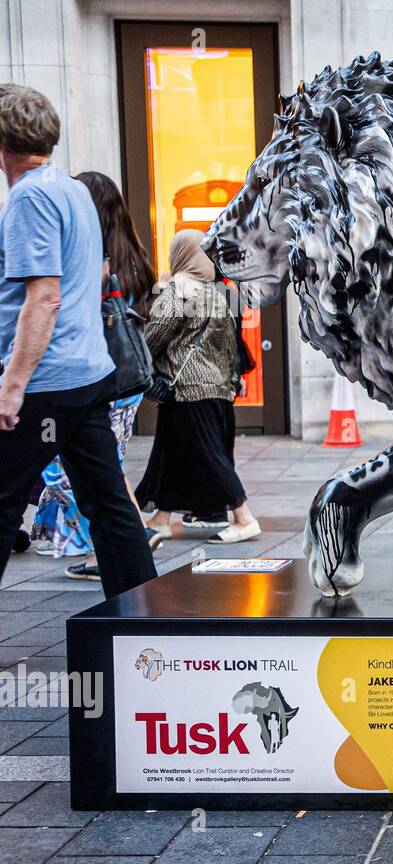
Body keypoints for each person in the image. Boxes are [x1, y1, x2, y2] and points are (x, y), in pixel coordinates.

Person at [0, 85, 156, 598]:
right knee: (108, 502)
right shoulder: (72, 190)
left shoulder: (29, 198)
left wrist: (12, 384)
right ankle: (143, 622)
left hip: (45, 382)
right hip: (87, 377)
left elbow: (44, 297)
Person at [31, 170, 158, 580]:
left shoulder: (92, 256)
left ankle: (125, 538)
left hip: (89, 376)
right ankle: (122, 545)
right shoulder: (132, 255)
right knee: (106, 471)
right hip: (122, 376)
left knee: (95, 473)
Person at [136, 229, 261, 544]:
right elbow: (231, 347)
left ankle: (244, 517)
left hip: (187, 388)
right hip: (216, 389)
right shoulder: (220, 293)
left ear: (179, 254)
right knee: (173, 452)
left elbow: (151, 340)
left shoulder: (180, 291)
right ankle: (162, 518)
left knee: (209, 455)